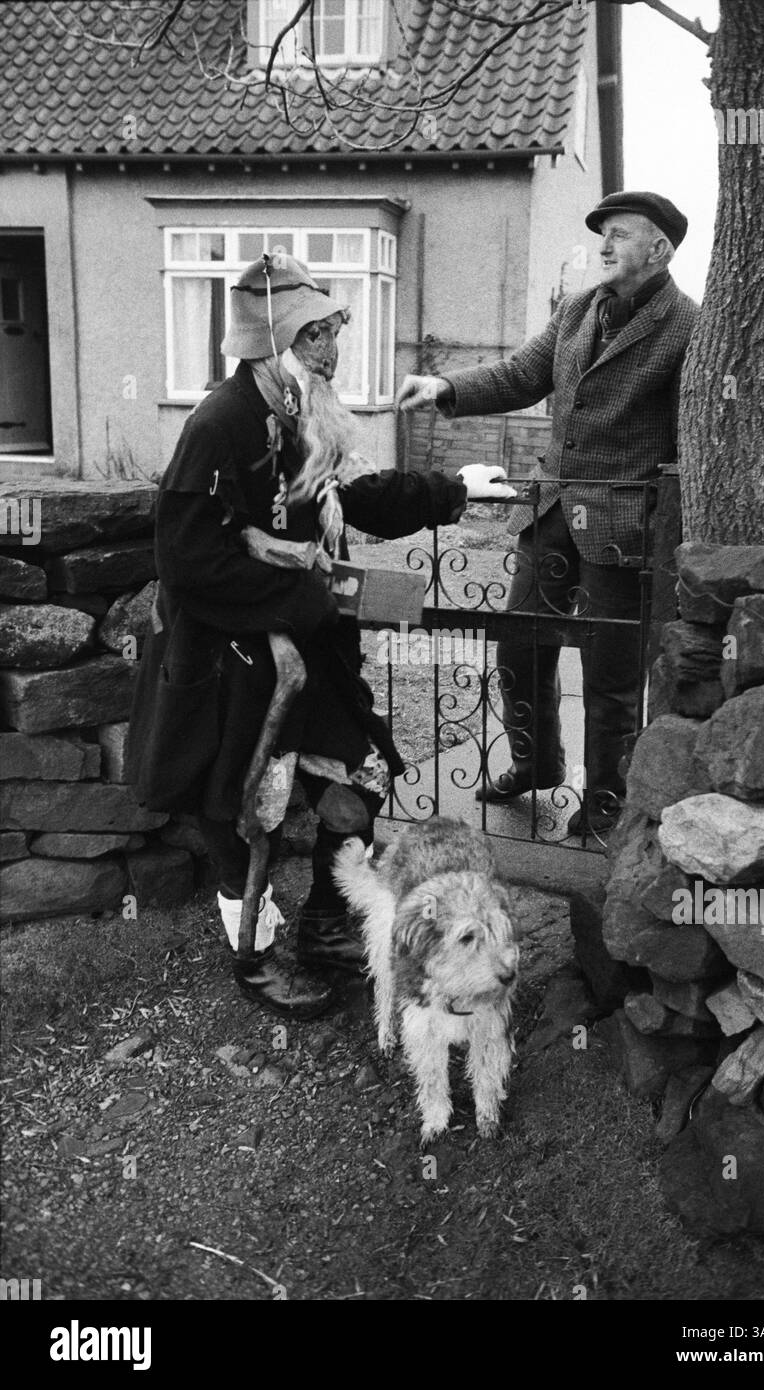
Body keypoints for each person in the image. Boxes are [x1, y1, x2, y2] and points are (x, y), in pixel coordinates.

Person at [128, 251, 512, 1018]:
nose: (331, 350)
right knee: (244, 811)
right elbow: (187, 560)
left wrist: (449, 490)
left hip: (309, 650)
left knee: (352, 787)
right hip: (234, 658)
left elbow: (352, 497)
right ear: (271, 341)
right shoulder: (219, 424)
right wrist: (298, 596)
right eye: (314, 335)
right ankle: (253, 955)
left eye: (334, 331)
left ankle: (327, 927)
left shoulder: (303, 413)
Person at [396, 191, 699, 834]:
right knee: (518, 649)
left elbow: (689, 440)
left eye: (620, 234)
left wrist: (666, 521)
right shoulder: (578, 309)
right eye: (602, 234)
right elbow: (520, 374)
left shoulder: (687, 325)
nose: (604, 245)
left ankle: (607, 797)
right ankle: (535, 765)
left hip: (623, 527)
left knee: (610, 675)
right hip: (552, 511)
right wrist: (445, 386)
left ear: (660, 249)